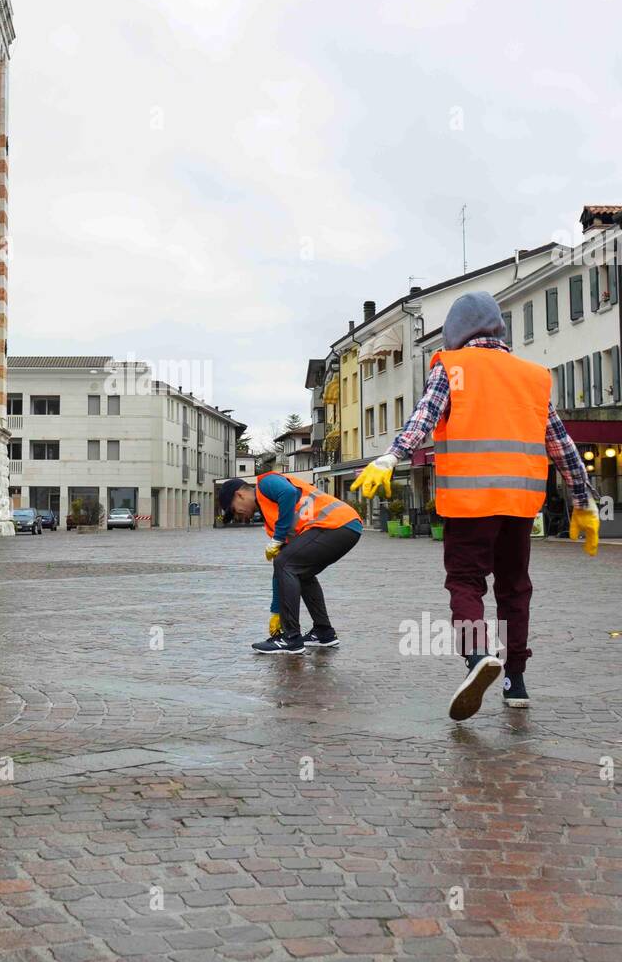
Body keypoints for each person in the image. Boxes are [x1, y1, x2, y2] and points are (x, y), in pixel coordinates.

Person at [352, 291, 599, 721]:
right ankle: (515, 681)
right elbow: (561, 444)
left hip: (469, 503)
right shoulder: (534, 376)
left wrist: (391, 456)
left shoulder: (452, 367)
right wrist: (583, 500)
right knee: (515, 588)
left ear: (456, 333)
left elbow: (423, 419)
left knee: (465, 583)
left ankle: (478, 656)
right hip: (520, 505)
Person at [218, 473, 362, 655]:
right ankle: (324, 632)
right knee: (300, 572)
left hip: (337, 524)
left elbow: (288, 492)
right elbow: (281, 570)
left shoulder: (266, 484)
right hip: (344, 528)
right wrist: (275, 612)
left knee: (286, 564)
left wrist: (278, 538)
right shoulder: (272, 517)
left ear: (240, 495)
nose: (238, 515)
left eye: (233, 509)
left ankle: (291, 638)